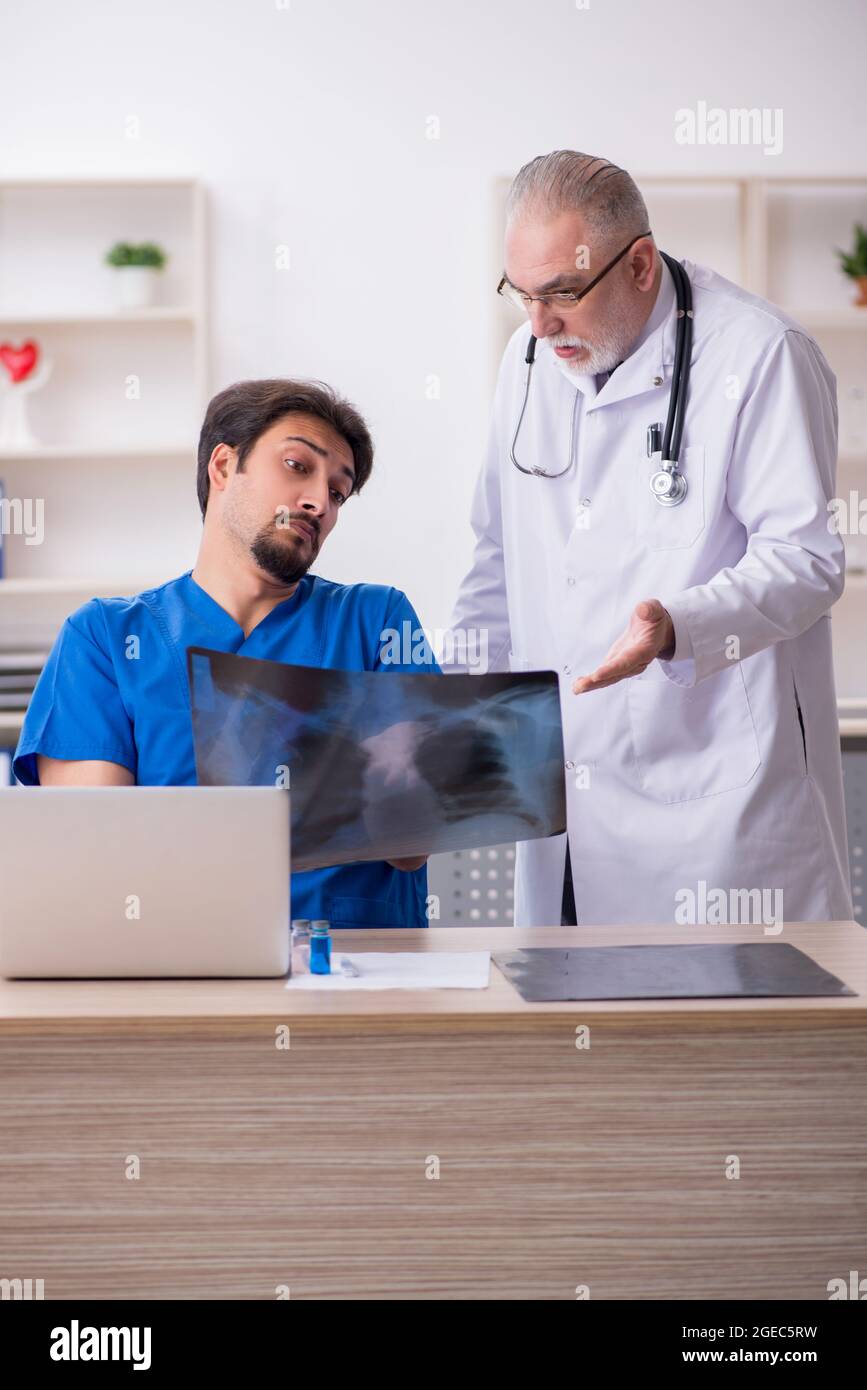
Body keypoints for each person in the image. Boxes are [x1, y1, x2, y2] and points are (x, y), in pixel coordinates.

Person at [447, 149, 853, 927]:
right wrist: (453, 709)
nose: (539, 324)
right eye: (521, 294)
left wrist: (679, 625)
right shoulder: (526, 359)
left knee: (719, 1042)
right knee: (578, 1042)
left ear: (638, 265)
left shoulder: (760, 354)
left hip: (716, 820)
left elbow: (805, 560)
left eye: (562, 293)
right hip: (564, 804)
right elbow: (497, 556)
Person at [14, 378, 433, 929]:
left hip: (360, 974)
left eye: (337, 491)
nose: (317, 503)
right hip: (181, 967)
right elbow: (102, 852)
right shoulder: (105, 639)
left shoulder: (377, 621)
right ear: (222, 466)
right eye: (297, 465)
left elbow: (411, 839)